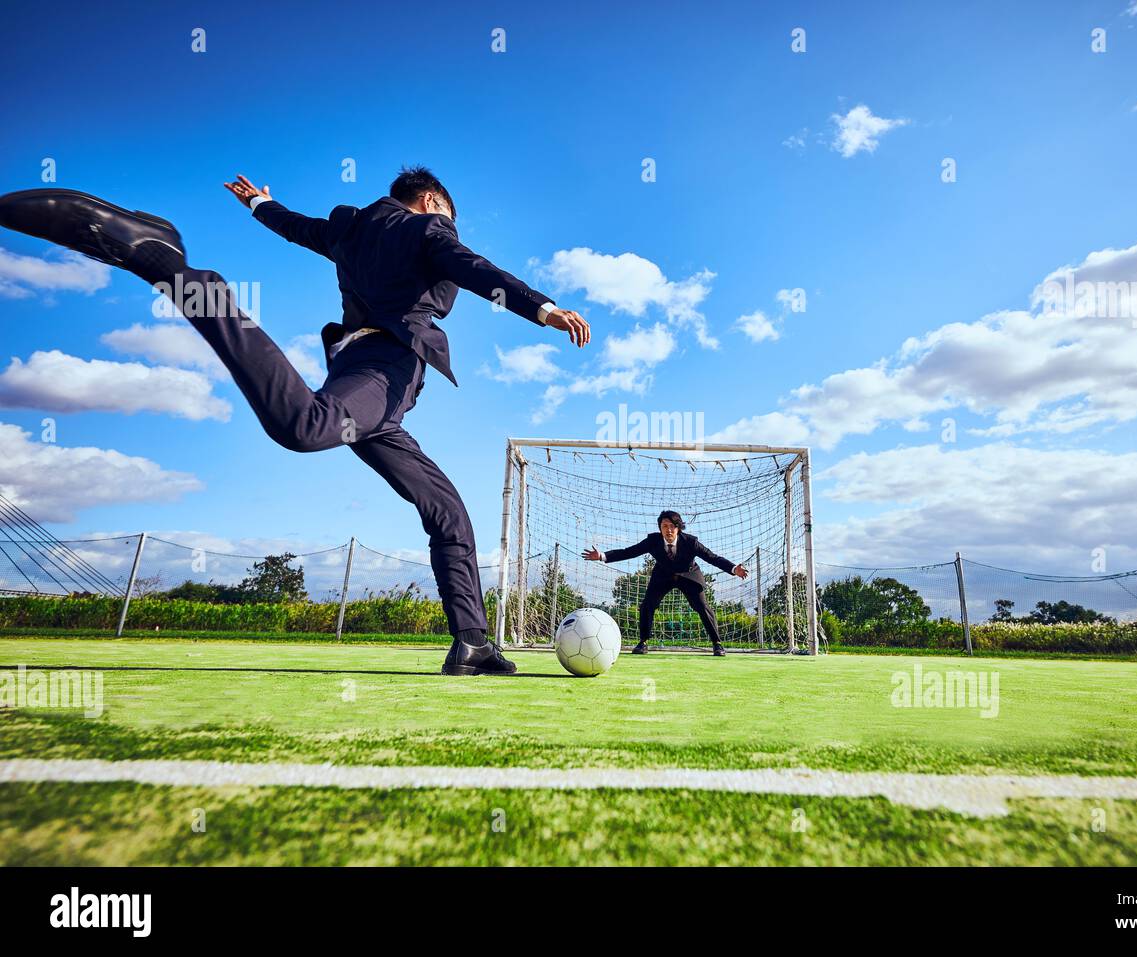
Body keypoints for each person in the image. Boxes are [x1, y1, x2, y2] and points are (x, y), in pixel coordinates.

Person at [0, 169, 591, 676]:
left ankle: (474, 644)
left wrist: (260, 204)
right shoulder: (427, 229)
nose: (451, 229)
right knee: (306, 427)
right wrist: (542, 308)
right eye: (451, 217)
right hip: (383, 373)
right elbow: (474, 267)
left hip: (370, 390)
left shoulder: (348, 226)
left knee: (446, 511)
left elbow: (294, 228)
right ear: (433, 202)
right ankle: (174, 270)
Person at [583, 510, 747, 656]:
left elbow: (713, 558)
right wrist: (602, 556)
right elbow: (630, 552)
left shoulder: (691, 542)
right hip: (663, 575)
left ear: (678, 528)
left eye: (672, 526)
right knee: (647, 605)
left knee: (702, 607)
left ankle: (717, 644)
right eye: (664, 526)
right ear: (660, 528)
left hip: (688, 575)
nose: (668, 530)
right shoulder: (652, 541)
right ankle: (643, 642)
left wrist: (733, 569)